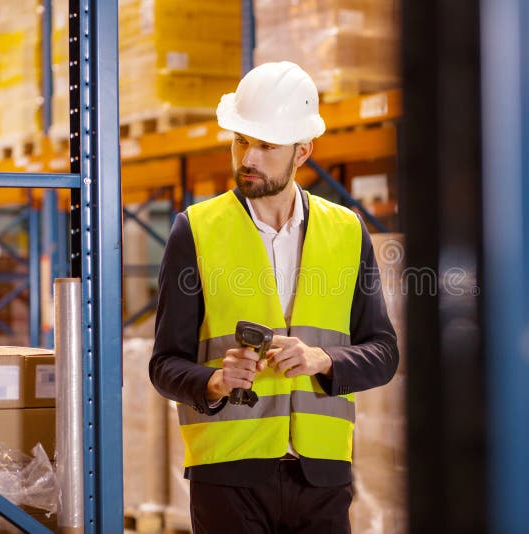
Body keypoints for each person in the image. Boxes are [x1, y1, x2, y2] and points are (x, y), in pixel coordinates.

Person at [149, 61, 399, 534]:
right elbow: (164, 364)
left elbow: (384, 353)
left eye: (266, 146)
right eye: (241, 140)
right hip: (228, 477)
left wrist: (322, 360)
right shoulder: (195, 230)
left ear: (303, 151)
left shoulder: (347, 231)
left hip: (320, 479)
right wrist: (216, 383)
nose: (248, 158)